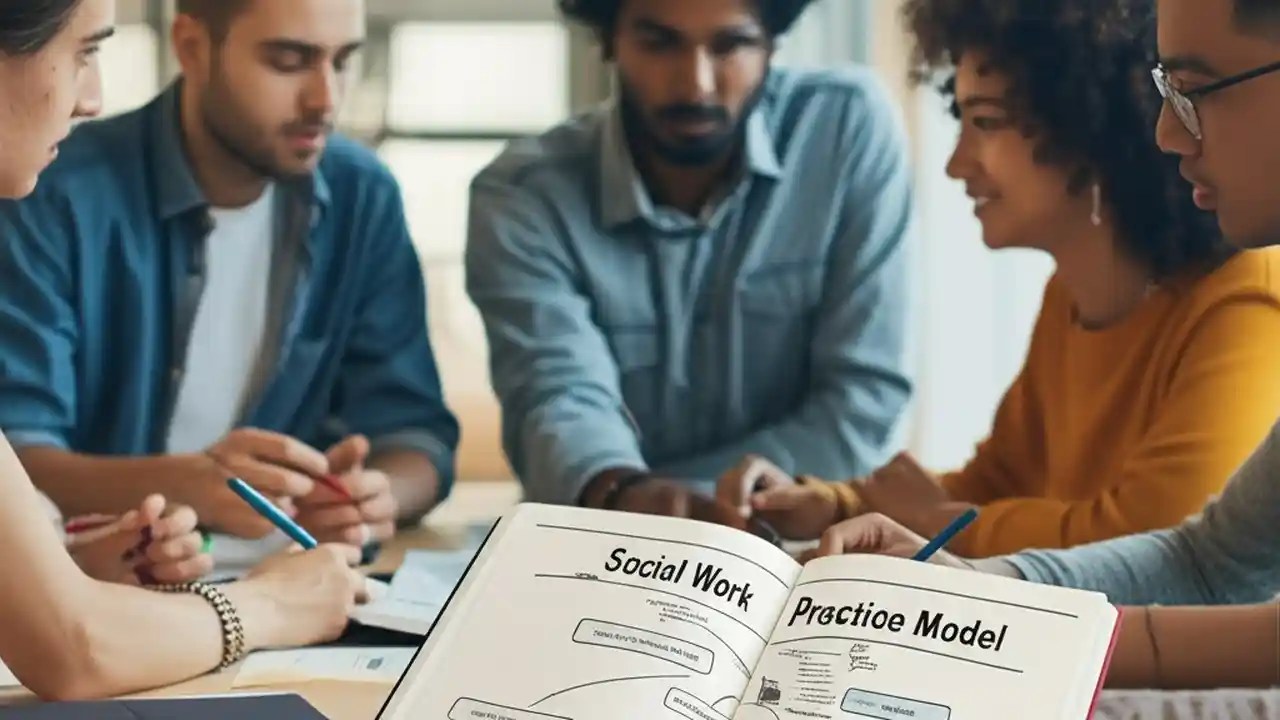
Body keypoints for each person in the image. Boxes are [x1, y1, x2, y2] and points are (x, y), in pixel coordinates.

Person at [791, 0, 1280, 689]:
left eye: (1196, 90)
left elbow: (1195, 565)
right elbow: (1210, 566)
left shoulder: (1248, 295)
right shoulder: (1069, 299)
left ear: (1085, 127)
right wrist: (970, 587)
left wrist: (957, 548)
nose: (1165, 132)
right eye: (1168, 92)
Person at [0, 0, 460, 573]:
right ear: (191, 47)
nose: (326, 99)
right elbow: (15, 460)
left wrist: (373, 497)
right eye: (289, 61)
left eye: (343, 62)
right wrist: (186, 482)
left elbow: (416, 435)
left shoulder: (362, 195)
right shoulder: (46, 188)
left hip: (298, 580)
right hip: (107, 585)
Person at [0, 0, 368, 701]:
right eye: (83, 53)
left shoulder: (358, 194)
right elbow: (76, 651)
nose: (93, 98)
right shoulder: (64, 203)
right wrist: (275, 604)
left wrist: (67, 569)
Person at [466, 0, 915, 519]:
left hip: (798, 542)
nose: (696, 85)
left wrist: (700, 501)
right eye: (660, 43)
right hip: (606, 535)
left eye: (730, 46)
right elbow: (556, 390)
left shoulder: (844, 130)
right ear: (609, 38)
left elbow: (863, 399)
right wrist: (622, 491)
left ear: (772, 41)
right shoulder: (525, 195)